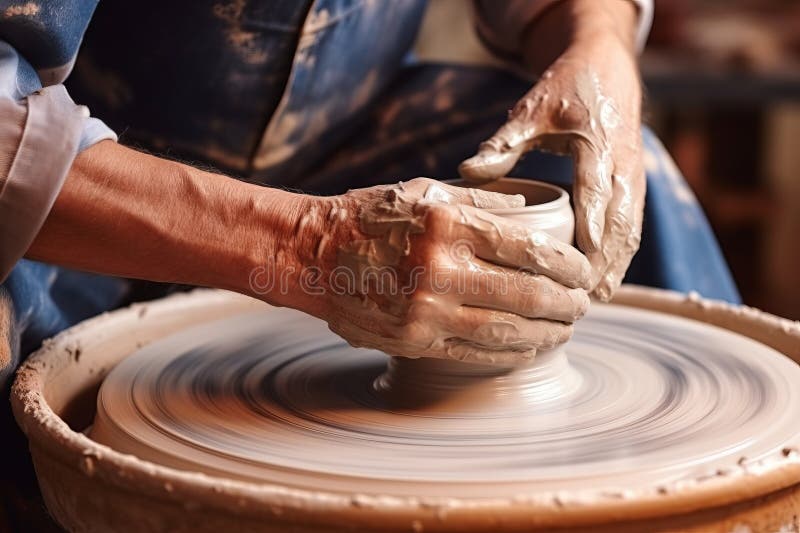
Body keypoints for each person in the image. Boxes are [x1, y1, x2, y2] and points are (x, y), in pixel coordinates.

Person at [0, 0, 739, 515]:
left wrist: (597, 38)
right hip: (83, 182)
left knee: (598, 178)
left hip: (345, 142)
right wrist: (309, 246)